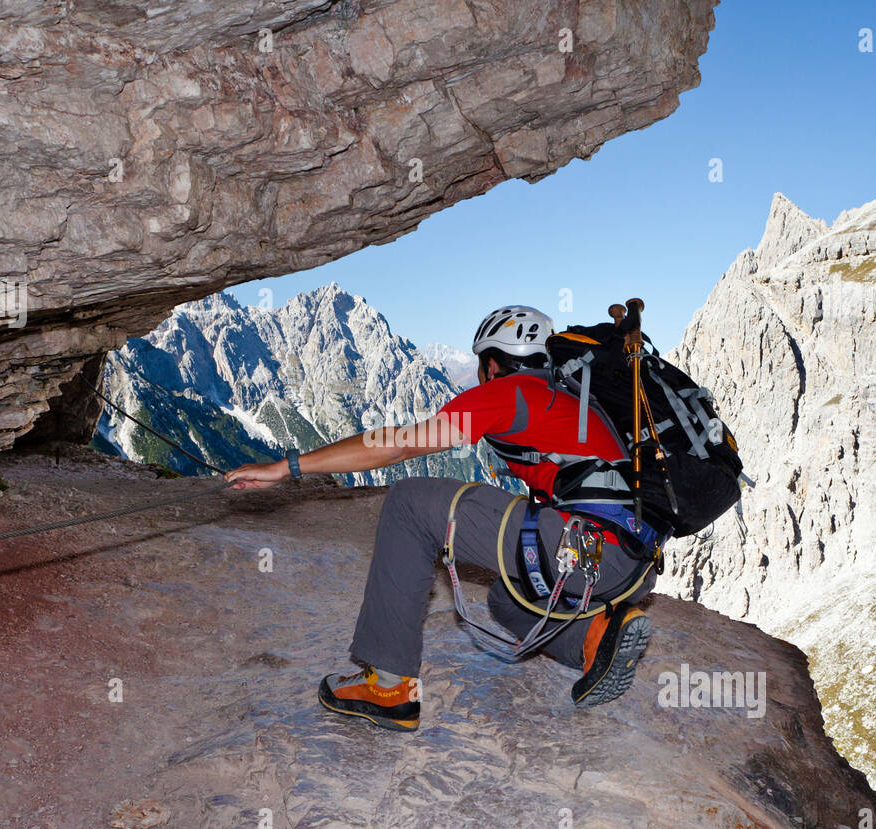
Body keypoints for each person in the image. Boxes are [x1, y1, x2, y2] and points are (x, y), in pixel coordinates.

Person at [225, 305, 660, 732]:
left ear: (493, 364)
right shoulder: (570, 398)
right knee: (506, 602)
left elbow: (397, 445)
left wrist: (287, 467)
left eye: (479, 365)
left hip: (581, 549)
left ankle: (388, 687)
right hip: (629, 564)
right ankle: (595, 636)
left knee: (409, 501)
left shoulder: (506, 393)